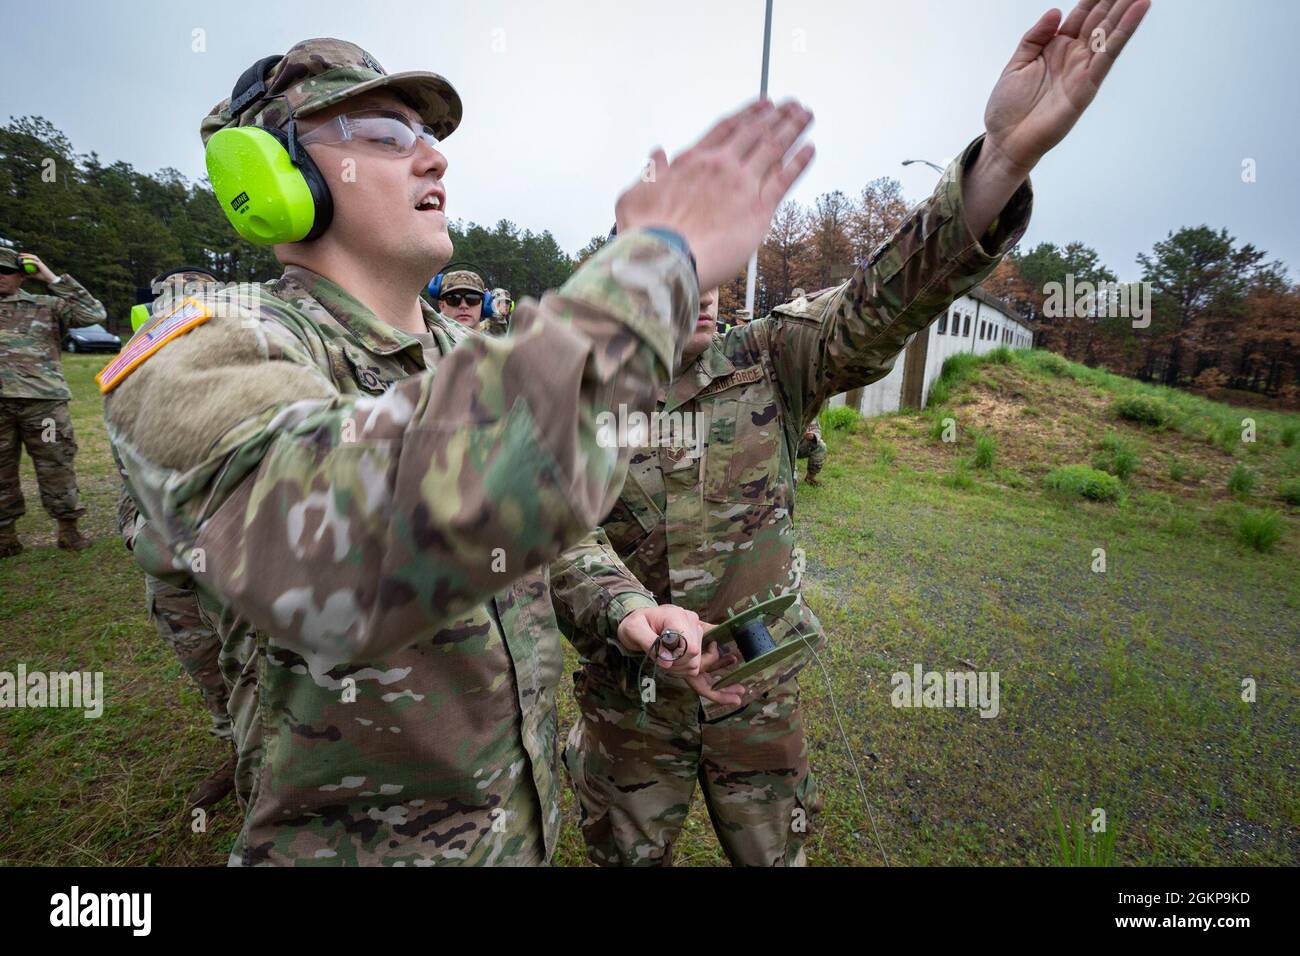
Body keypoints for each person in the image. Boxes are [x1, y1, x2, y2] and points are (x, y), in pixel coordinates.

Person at [103, 38, 814, 865]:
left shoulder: (463, 354)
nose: (433, 156)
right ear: (271, 173)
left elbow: (550, 537)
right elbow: (345, 535)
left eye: (429, 136)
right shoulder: (203, 348)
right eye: (383, 133)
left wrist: (625, 608)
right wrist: (654, 272)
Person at [557, 0, 1151, 866]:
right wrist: (629, 613)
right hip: (631, 711)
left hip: (756, 699)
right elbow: (556, 544)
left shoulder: (769, 359)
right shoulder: (571, 397)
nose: (705, 279)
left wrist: (999, 163)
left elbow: (879, 303)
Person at [116, 266, 237, 808]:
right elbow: (128, 484)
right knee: (207, 669)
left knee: (266, 677)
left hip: (237, 573)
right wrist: (136, 535)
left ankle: (278, 772)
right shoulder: (130, 378)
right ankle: (237, 752)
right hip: (170, 577)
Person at [0, 245, 105, 557]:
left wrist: (49, 276)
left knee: (56, 463)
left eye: (5, 271)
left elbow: (94, 313)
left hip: (42, 405)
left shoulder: (46, 306)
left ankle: (68, 530)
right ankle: (5, 536)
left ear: (21, 275)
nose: (0, 278)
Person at [796, 415, 827, 486]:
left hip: (800, 445)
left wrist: (813, 436)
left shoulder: (809, 410)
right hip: (783, 446)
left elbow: (817, 429)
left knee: (821, 446)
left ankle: (810, 478)